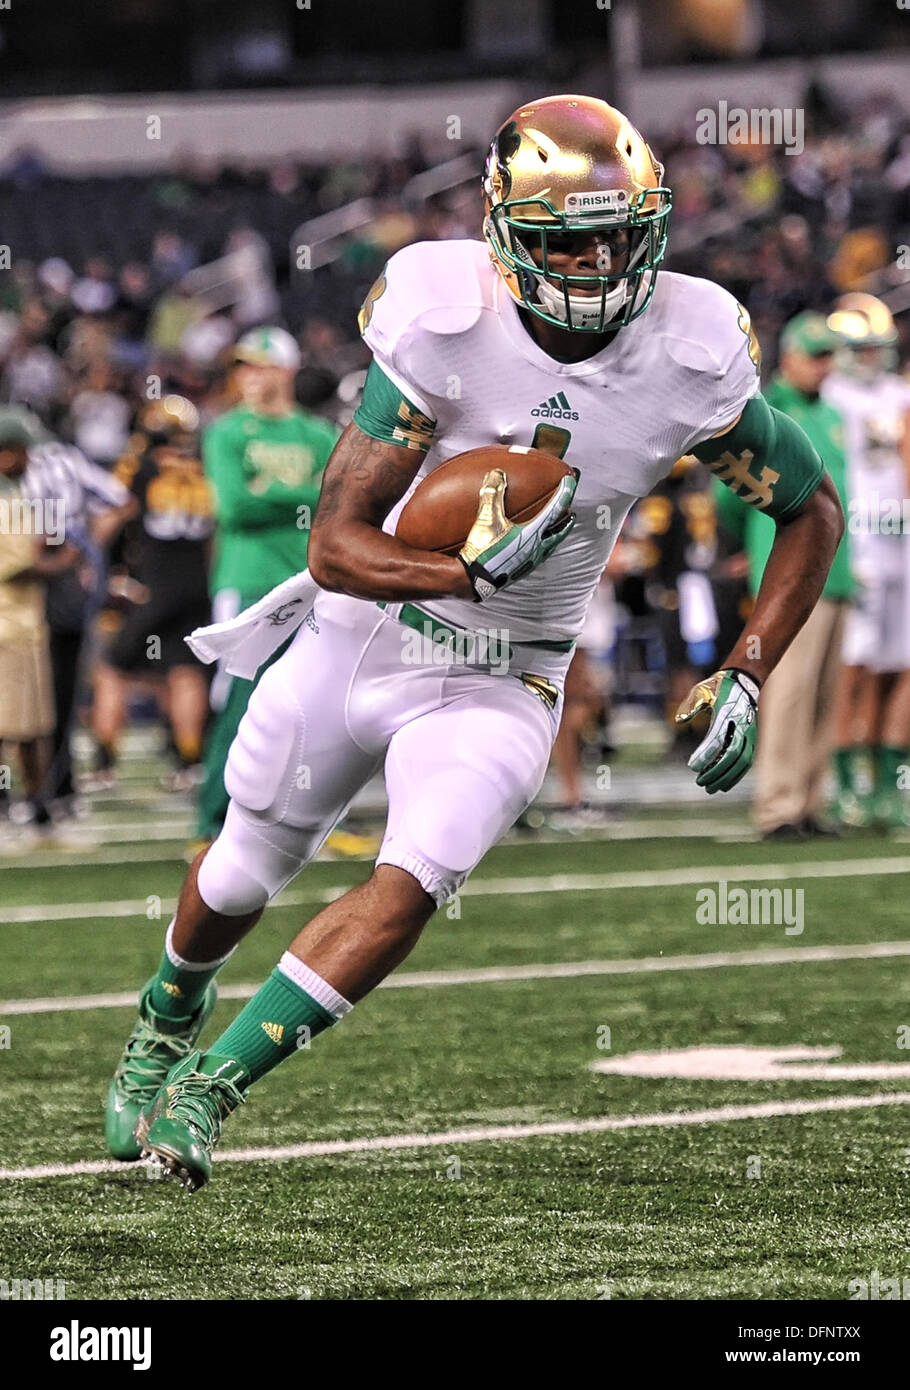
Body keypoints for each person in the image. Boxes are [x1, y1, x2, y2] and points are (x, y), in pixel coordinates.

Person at [105, 95, 843, 1188]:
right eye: (568, 239)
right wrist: (457, 570)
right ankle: (167, 1013)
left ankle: (212, 1087)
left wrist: (746, 664)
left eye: (617, 235)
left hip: (511, 672)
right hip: (368, 631)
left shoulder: (690, 353)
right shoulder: (443, 317)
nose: (597, 263)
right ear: (505, 234)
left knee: (414, 876)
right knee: (244, 866)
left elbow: (809, 510)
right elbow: (338, 542)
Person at [195, 327, 339, 844]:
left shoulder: (317, 433)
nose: (248, 377)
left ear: (286, 370)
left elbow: (336, 502)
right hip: (249, 582)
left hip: (311, 582)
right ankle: (212, 821)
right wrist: (303, 494)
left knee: (314, 706)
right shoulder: (227, 431)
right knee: (240, 702)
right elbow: (235, 507)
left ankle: (304, 821)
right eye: (242, 367)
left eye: (259, 366)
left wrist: (271, 490)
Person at [713, 311, 853, 838]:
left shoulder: (833, 414)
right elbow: (725, 496)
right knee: (788, 691)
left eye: (828, 357)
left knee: (823, 696)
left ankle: (812, 801)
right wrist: (750, 541)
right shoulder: (765, 412)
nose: (825, 367)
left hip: (836, 575)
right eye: (816, 356)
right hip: (788, 577)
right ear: (789, 357)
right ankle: (778, 805)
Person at [88, 396, 213, 793]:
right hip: (197, 585)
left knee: (111, 668)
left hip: (154, 587)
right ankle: (189, 763)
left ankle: (104, 763)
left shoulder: (141, 466)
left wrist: (92, 559)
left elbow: (111, 511)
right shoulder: (204, 468)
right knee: (185, 673)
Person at [822, 294, 910, 828]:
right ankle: (843, 778)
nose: (872, 357)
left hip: (901, 542)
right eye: (862, 348)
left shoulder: (900, 395)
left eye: (878, 348)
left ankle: (886, 779)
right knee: (851, 668)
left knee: (896, 665)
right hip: (857, 540)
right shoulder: (828, 397)